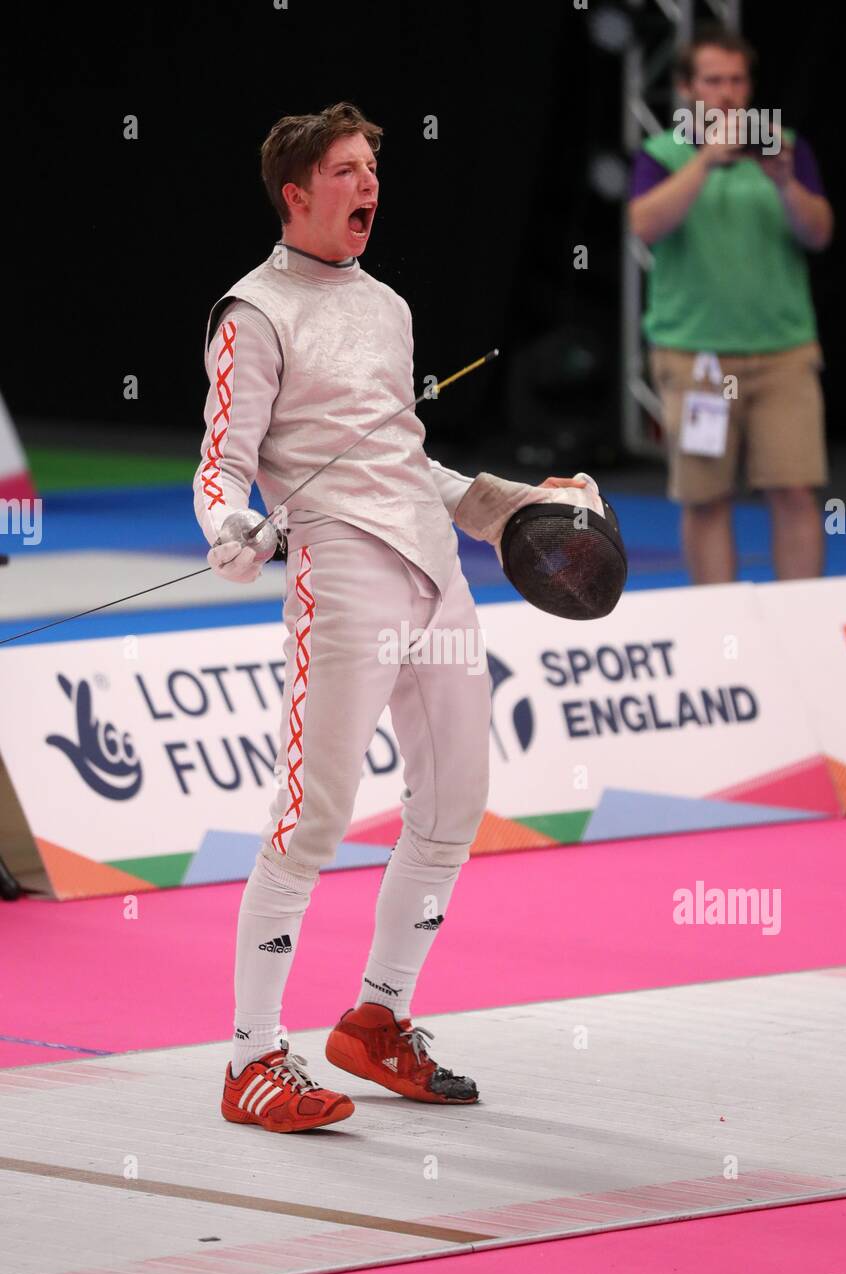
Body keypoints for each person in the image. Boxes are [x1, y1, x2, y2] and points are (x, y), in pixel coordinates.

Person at [193, 101, 587, 1133]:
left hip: (433, 570)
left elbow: (405, 460)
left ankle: (377, 1016)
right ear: (298, 193)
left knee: (456, 798)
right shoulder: (254, 311)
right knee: (314, 813)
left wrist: (510, 504)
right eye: (349, 170)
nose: (370, 184)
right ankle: (249, 1058)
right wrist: (232, 524)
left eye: (374, 167)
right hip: (347, 573)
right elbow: (221, 466)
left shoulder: (389, 305)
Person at [628, 25, 834, 584]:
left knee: (794, 489)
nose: (726, 92)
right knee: (706, 496)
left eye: (737, 79)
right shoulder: (663, 153)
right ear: (687, 88)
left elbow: (818, 234)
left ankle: (801, 625)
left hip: (783, 351)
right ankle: (720, 628)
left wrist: (787, 182)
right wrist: (705, 161)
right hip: (697, 358)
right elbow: (645, 225)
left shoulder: (784, 148)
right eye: (713, 80)